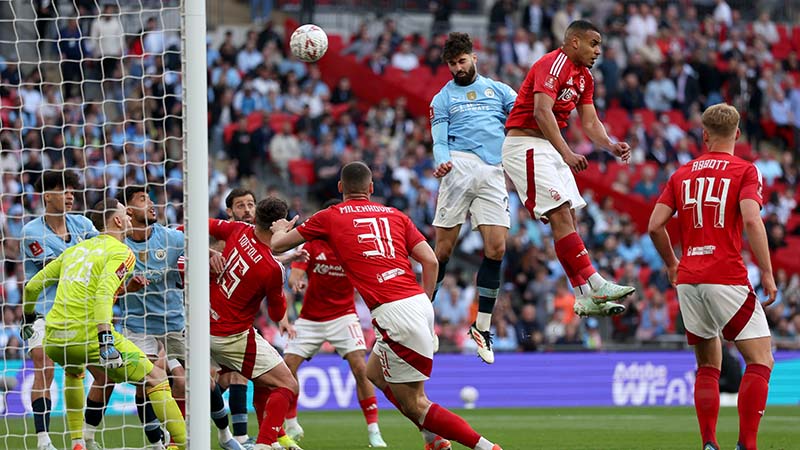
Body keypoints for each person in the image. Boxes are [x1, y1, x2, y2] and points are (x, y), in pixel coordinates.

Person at [271, 161, 502, 450]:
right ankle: (434, 439)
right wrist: (426, 305)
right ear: (371, 188)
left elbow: (278, 245)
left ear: (341, 188)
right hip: (418, 302)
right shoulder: (396, 215)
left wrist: (280, 228)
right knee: (373, 373)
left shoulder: (330, 216)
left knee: (417, 402)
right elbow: (430, 261)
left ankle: (486, 447)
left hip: (393, 311)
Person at [648, 103, 776, 450]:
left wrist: (673, 264)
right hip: (726, 274)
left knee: (708, 364)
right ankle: (747, 445)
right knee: (761, 359)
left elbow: (655, 226)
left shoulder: (681, 173)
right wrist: (766, 271)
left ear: (704, 135)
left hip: (689, 277)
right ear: (737, 134)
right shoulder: (745, 170)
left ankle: (708, 443)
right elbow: (751, 219)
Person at [21, 198, 187, 449]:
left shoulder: (75, 250)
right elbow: (102, 295)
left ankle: (79, 442)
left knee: (74, 372)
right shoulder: (123, 252)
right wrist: (105, 338)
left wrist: (28, 317)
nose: (130, 218)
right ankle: (185, 443)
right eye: (125, 214)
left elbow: (32, 286)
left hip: (55, 338)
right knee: (156, 376)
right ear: (118, 220)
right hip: (91, 337)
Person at [502, 19, 634, 318]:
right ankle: (597, 283)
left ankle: (583, 296)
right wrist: (568, 153)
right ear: (575, 41)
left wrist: (610, 145)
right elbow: (541, 111)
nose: (598, 50)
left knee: (569, 219)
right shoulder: (552, 64)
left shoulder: (585, 77)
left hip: (547, 147)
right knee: (561, 213)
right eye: (593, 43)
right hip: (524, 144)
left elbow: (589, 122)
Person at [116, 185, 243, 450]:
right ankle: (157, 443)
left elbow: (196, 246)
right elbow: (108, 288)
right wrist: (128, 287)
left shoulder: (169, 238)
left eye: (151, 198)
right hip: (137, 325)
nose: (151, 204)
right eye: (142, 200)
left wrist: (213, 256)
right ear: (127, 210)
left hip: (174, 322)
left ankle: (225, 435)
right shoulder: (118, 246)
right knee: (144, 384)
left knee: (203, 379)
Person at [428, 32, 517, 364]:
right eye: (452, 64)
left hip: (494, 170)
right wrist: (441, 161)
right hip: (459, 166)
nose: (457, 68)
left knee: (497, 248)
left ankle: (482, 326)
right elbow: (438, 139)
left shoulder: (498, 90)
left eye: (461, 61)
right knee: (443, 251)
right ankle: (425, 323)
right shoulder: (443, 98)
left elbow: (523, 112)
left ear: (473, 57)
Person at [283, 199, 388, 447]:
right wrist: (296, 282)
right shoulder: (312, 244)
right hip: (310, 318)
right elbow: (295, 274)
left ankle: (374, 430)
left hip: (344, 316)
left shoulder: (353, 245)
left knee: (361, 369)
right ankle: (291, 422)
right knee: (287, 368)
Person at [20, 170, 109, 450]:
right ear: (47, 195)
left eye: (72, 189)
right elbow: (58, 269)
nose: (70, 194)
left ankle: (87, 436)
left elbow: (104, 253)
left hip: (81, 312)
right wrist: (90, 255)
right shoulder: (31, 232)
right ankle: (43, 440)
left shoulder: (82, 223)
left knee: (106, 376)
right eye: (64, 189)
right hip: (45, 312)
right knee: (43, 367)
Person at [213, 188, 303, 450]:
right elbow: (276, 313)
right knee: (287, 384)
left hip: (204, 322)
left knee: (264, 377)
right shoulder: (272, 269)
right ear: (281, 225)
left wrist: (209, 254)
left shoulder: (238, 231)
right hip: (231, 334)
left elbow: (199, 226)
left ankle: (271, 439)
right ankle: (263, 444)